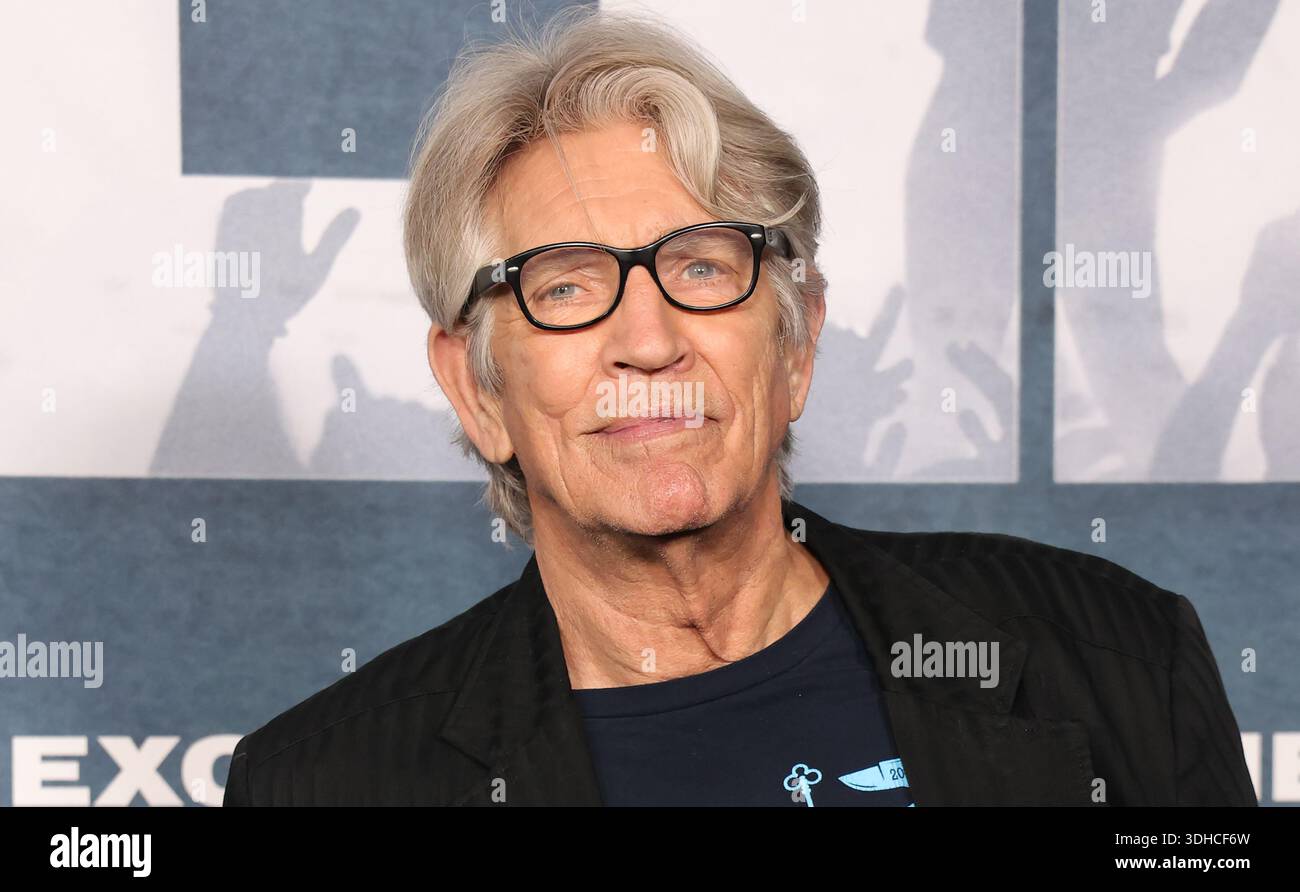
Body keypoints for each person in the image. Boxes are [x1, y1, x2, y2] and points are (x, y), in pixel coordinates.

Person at [223, 6, 1254, 807]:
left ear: (795, 341)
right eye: (568, 286)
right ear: (475, 388)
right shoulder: (326, 785)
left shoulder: (1116, 658)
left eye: (701, 266)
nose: (647, 338)